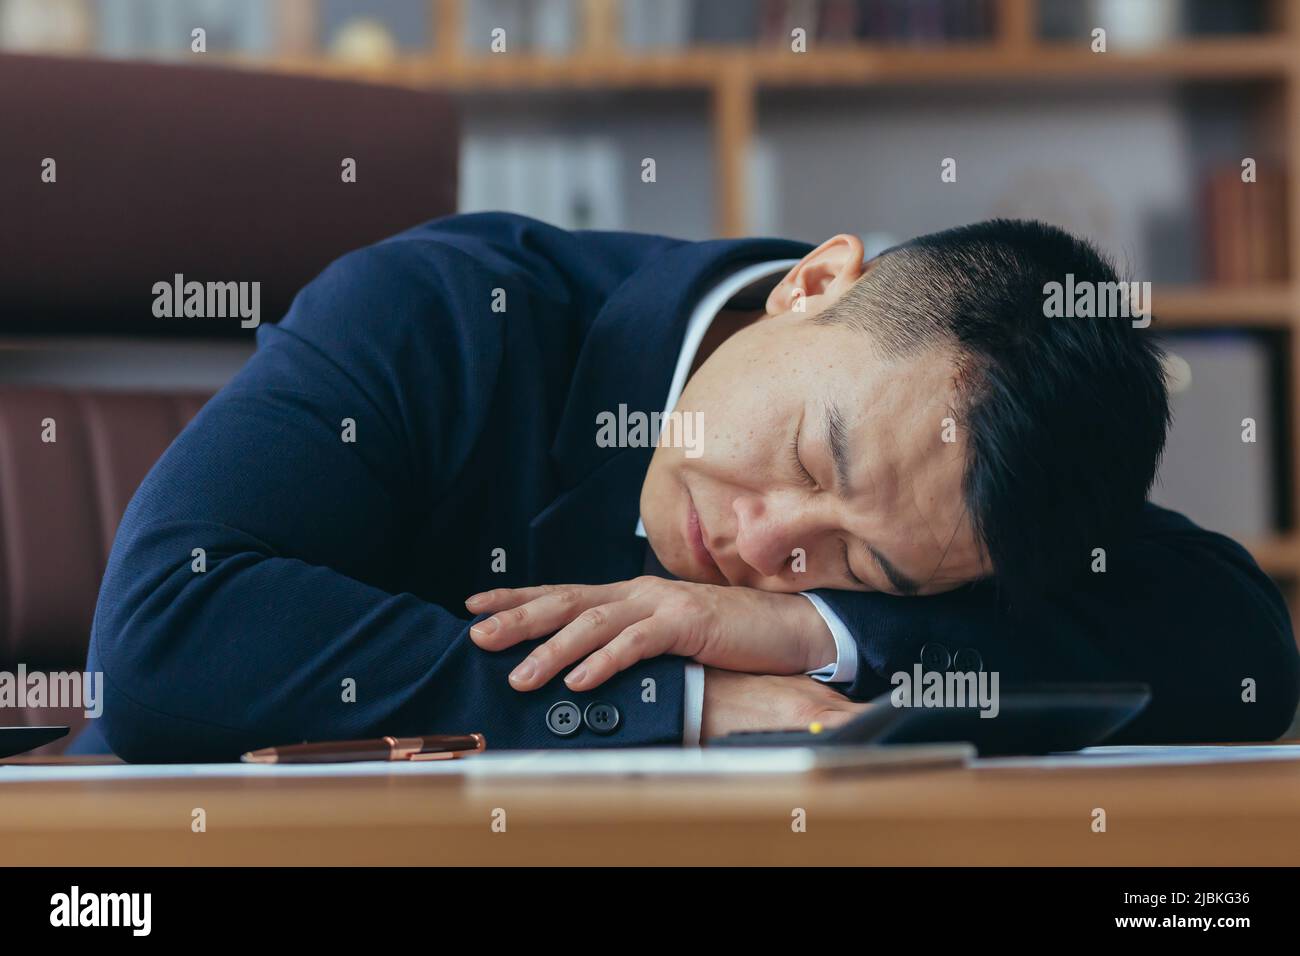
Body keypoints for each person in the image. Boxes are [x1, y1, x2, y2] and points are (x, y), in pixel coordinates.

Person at [85, 213, 1298, 761]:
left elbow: (1238, 648)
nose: (766, 540)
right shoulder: (447, 309)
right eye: (817, 461)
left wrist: (808, 630)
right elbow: (163, 637)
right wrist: (696, 699)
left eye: (852, 563)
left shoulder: (955, 481)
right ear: (816, 284)